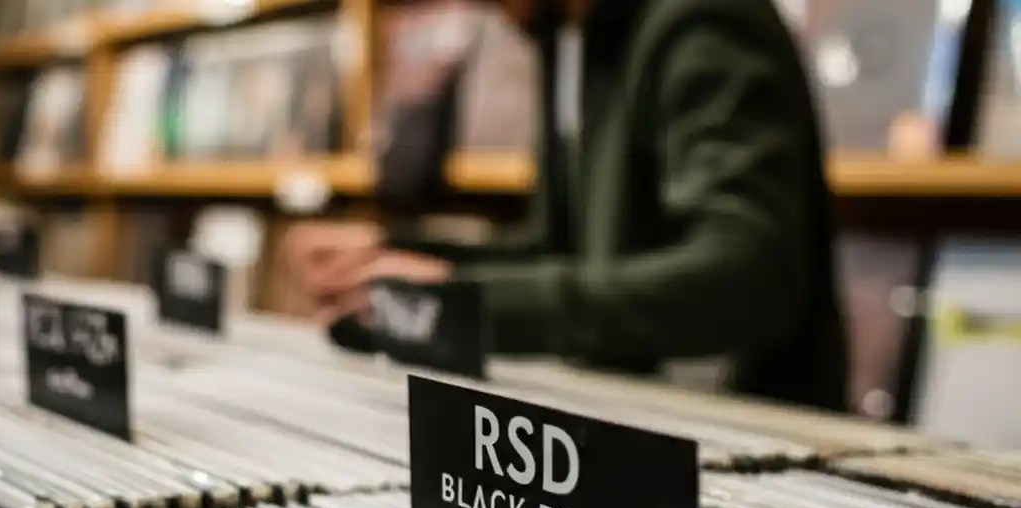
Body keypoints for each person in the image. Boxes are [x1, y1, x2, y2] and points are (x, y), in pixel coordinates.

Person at [290, 0, 848, 411]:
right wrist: (394, 260)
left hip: (747, 436)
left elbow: (749, 278)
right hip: (636, 424)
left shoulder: (702, 17)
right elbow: (562, 248)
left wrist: (475, 305)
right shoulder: (569, 34)